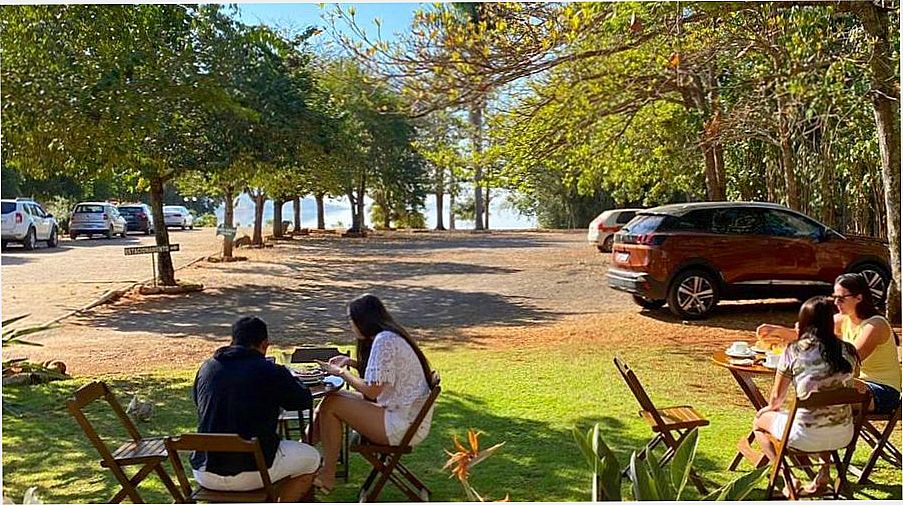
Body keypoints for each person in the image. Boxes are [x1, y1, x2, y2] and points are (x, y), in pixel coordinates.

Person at [311, 294, 434, 493]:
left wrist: (341, 372)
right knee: (330, 399)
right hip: (404, 416)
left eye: (351, 321)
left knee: (333, 405)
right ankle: (305, 455)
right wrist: (349, 362)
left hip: (402, 424)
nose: (350, 325)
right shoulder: (389, 336)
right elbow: (382, 378)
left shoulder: (384, 340)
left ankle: (326, 474)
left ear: (362, 320)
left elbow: (372, 390)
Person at [191, 316, 319, 502]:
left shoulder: (207, 368)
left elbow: (199, 402)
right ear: (264, 344)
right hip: (253, 468)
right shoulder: (270, 371)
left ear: (233, 340)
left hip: (205, 469)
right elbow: (302, 401)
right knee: (312, 458)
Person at [753, 297, 861, 497]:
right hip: (844, 433)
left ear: (803, 321)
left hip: (805, 437)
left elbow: (776, 400)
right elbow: (844, 389)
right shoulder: (849, 350)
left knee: (759, 421)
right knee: (825, 412)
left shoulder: (794, 350)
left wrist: (767, 411)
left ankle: (787, 478)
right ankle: (824, 473)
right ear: (830, 321)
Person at [757, 273, 901, 414]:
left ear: (859, 297)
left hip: (883, 392)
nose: (836, 303)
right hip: (855, 386)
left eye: (841, 298)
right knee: (819, 390)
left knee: (820, 391)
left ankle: (795, 427)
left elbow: (851, 360)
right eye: (835, 298)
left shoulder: (875, 325)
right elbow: (810, 335)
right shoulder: (843, 319)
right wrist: (777, 331)